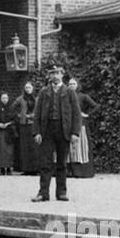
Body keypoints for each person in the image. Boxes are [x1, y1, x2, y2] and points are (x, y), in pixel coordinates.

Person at [31, 64, 83, 202]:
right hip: (47, 130)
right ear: (49, 76)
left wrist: (75, 133)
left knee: (62, 163)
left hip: (63, 129)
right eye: (52, 73)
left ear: (62, 74)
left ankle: (61, 192)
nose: (54, 76)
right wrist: (36, 132)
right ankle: (43, 193)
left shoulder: (69, 92)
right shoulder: (43, 92)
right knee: (45, 163)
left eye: (57, 73)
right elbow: (37, 114)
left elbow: (77, 114)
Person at [66, 77, 100, 178]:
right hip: (68, 124)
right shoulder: (65, 96)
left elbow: (96, 106)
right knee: (68, 148)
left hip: (80, 124)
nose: (71, 86)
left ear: (77, 85)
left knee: (80, 147)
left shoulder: (83, 96)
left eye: (73, 84)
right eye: (70, 84)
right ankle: (69, 171)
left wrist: (87, 114)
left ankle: (80, 171)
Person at [14, 80, 40, 174]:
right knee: (24, 147)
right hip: (23, 124)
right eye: (26, 88)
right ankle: (26, 169)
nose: (28, 89)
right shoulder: (20, 99)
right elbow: (13, 108)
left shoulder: (37, 99)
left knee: (34, 146)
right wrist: (19, 115)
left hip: (33, 124)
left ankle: (35, 168)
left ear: (33, 88)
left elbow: (40, 111)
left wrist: (32, 115)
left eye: (29, 87)